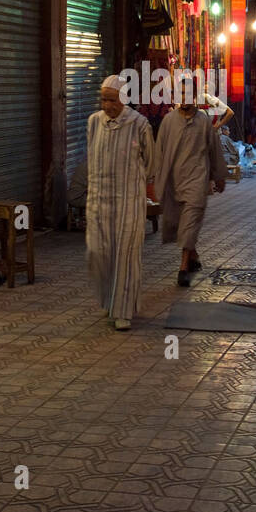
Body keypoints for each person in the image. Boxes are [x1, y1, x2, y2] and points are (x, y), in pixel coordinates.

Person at [86, 76, 156, 331]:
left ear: (123, 99)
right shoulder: (93, 122)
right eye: (103, 100)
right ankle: (110, 301)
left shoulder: (139, 124)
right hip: (98, 200)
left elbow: (150, 162)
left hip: (129, 202)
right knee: (97, 253)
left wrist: (136, 185)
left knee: (125, 256)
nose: (107, 105)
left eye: (112, 100)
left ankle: (123, 311)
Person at [155, 76, 228, 286]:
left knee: (191, 221)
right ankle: (193, 255)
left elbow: (214, 150)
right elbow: (159, 153)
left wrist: (218, 176)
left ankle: (183, 267)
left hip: (197, 179)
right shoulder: (168, 122)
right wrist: (155, 179)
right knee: (180, 224)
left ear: (196, 97)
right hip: (174, 180)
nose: (185, 97)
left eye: (189, 93)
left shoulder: (204, 121)